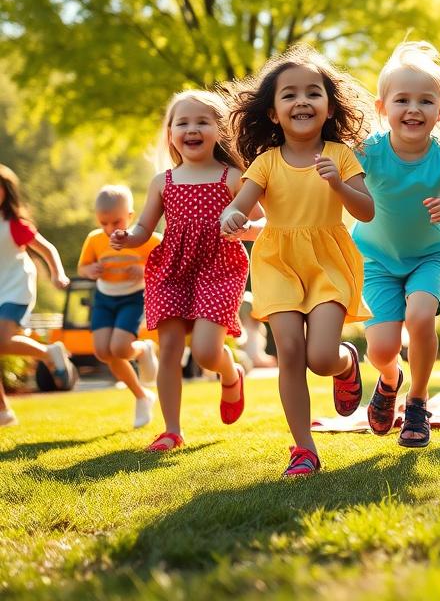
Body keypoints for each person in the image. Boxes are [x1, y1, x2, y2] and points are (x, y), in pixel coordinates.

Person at [222, 46, 375, 477]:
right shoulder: (266, 162)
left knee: (320, 357)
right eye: (289, 95)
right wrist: (232, 216)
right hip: (278, 263)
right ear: (272, 112)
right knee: (289, 350)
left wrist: (340, 186)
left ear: (328, 107)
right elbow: (240, 206)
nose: (302, 101)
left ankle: (345, 362)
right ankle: (304, 449)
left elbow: (366, 211)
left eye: (313, 93)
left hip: (327, 261)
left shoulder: (340, 155)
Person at [352, 42, 440, 448]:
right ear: (382, 107)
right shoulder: (368, 152)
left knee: (422, 314)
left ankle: (417, 402)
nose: (413, 108)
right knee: (382, 349)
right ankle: (390, 379)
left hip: (430, 256)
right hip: (375, 260)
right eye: (402, 100)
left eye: (425, 101)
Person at [112, 90, 256, 452]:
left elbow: (261, 220)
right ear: (171, 133)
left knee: (207, 352)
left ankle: (230, 373)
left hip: (219, 268)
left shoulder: (232, 177)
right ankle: (171, 430)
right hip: (172, 269)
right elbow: (145, 228)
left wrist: (245, 227)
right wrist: (128, 238)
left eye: (202, 122)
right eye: (183, 122)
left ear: (219, 131)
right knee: (171, 347)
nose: (192, 129)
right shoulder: (163, 182)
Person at [78, 185, 160, 428]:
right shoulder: (94, 239)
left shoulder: (145, 239)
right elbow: (83, 267)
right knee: (103, 352)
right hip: (104, 299)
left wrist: (145, 269)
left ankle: (143, 350)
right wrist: (89, 271)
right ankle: (142, 396)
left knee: (121, 349)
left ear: (131, 217)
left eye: (117, 222)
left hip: (132, 298)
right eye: (104, 223)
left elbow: (167, 262)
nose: (110, 229)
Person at [0, 164, 75, 426]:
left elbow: (47, 249)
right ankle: (3, 413)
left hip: (16, 287)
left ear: (6, 192)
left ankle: (47, 353)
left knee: (2, 338)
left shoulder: (15, 225)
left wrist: (57, 274)